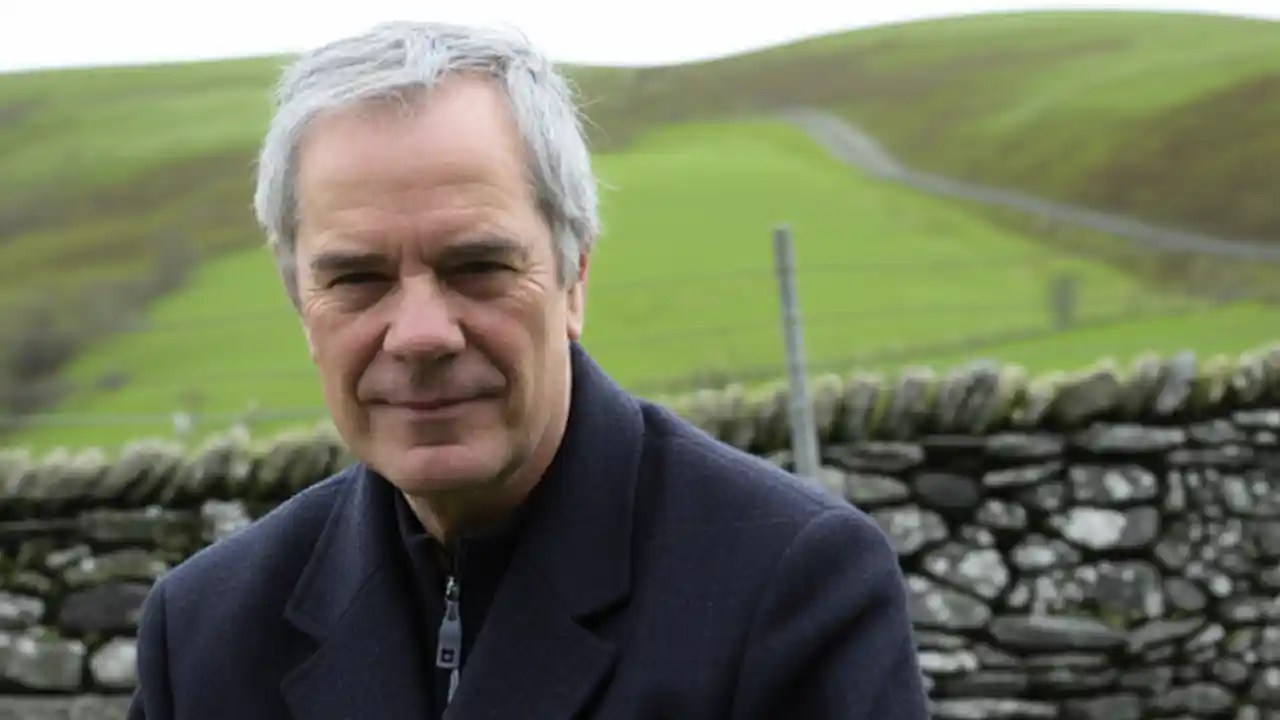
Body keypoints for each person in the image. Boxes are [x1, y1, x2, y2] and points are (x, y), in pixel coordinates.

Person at [127, 21, 928, 720]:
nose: (419, 335)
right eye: (356, 279)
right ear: (303, 305)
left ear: (575, 275)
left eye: (476, 265)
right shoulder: (205, 633)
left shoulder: (791, 589)